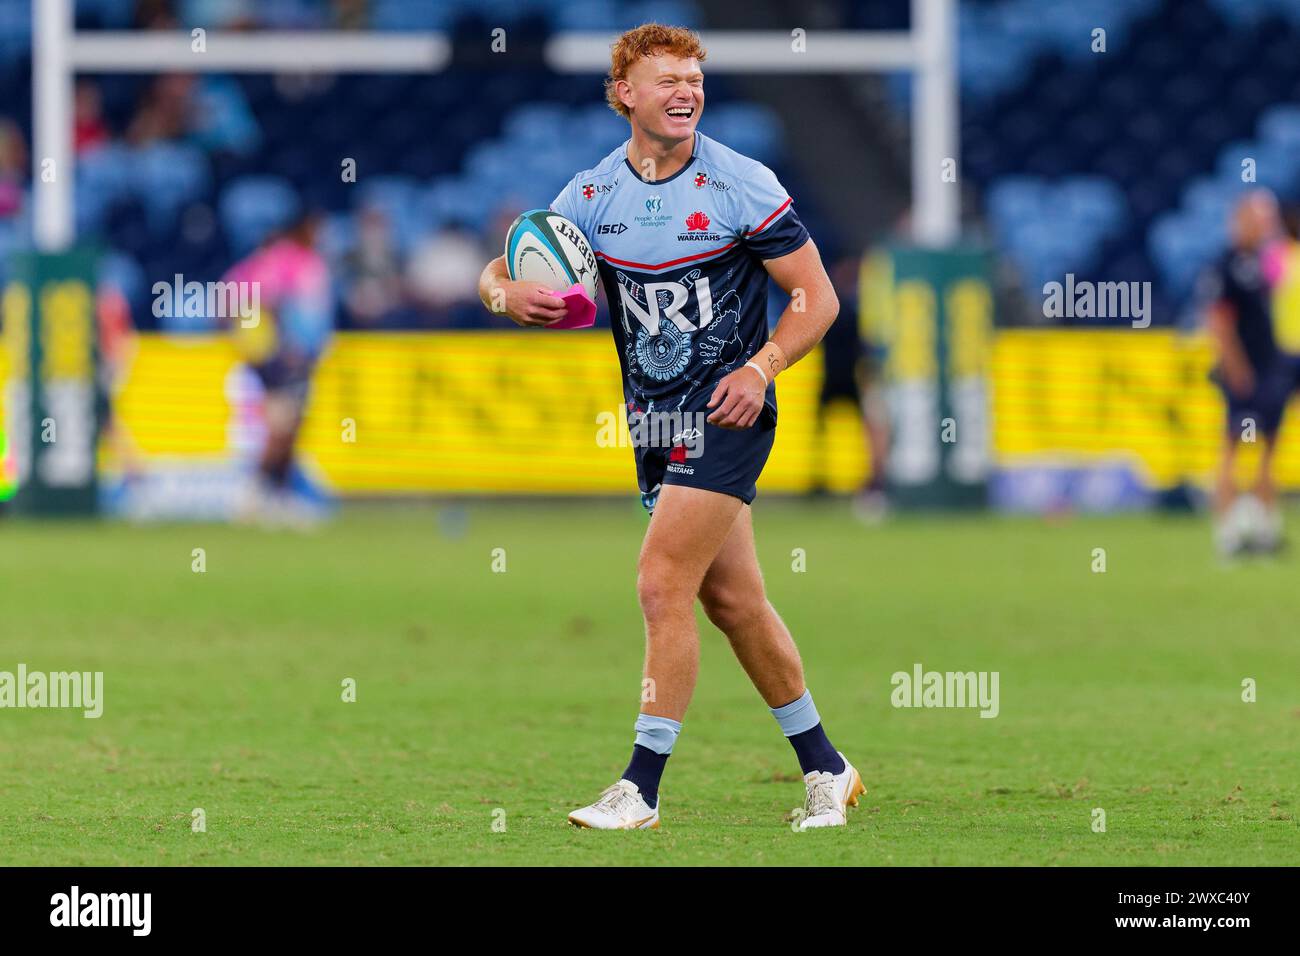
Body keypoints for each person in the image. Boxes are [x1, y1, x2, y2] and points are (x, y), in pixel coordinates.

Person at [477, 23, 860, 830]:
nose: (686, 91)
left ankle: (640, 787)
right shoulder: (592, 194)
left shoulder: (740, 184)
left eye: (694, 78)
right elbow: (507, 265)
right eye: (666, 80)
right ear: (624, 93)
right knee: (735, 604)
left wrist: (759, 371)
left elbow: (815, 298)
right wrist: (507, 297)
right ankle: (827, 766)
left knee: (660, 584)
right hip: (654, 427)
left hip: (730, 412)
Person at [224, 209, 334, 526]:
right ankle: (259, 492)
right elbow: (266, 300)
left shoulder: (301, 261)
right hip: (283, 359)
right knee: (282, 424)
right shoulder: (285, 259)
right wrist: (283, 348)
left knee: (291, 425)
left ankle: (275, 494)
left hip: (298, 357)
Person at [1201, 189, 1292, 555]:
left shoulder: (1267, 262)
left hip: (1272, 368)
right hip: (1246, 372)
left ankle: (1266, 530)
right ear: (1243, 221)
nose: (1268, 226)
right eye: (1261, 219)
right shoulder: (1226, 265)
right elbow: (1220, 321)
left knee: (1270, 448)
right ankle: (1227, 533)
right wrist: (1236, 368)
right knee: (1232, 448)